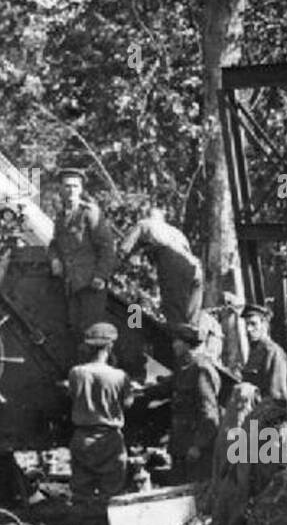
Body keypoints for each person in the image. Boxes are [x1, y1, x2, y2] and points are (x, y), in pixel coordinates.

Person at [145, 314, 223, 485]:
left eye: (177, 341)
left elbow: (209, 413)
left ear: (187, 344)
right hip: (181, 443)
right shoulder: (184, 367)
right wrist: (142, 391)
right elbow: (166, 388)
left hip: (194, 446)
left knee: (196, 489)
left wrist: (198, 445)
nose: (173, 345)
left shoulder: (201, 370)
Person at [66, 322, 134, 507]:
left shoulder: (76, 372)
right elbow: (128, 403)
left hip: (82, 438)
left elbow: (72, 396)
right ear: (110, 347)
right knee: (112, 493)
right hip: (110, 440)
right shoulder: (120, 376)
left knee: (81, 492)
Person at [48, 168, 117, 343]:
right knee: (74, 331)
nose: (71, 190)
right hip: (72, 285)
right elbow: (54, 244)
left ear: (81, 189)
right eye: (67, 186)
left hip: (90, 284)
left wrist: (100, 275)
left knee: (92, 332)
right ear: (61, 190)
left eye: (75, 186)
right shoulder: (61, 218)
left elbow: (107, 247)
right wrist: (54, 259)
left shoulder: (89, 212)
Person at [118, 205, 204, 329]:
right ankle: (191, 336)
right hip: (196, 267)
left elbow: (124, 250)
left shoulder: (144, 224)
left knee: (173, 309)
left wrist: (114, 268)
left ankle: (177, 341)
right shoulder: (176, 232)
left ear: (147, 216)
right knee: (190, 317)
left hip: (173, 261)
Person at [239, 304, 287, 403]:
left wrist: (252, 419)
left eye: (253, 324)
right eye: (246, 325)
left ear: (265, 325)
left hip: (264, 415)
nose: (248, 329)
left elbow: (276, 398)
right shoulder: (255, 350)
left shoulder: (273, 352)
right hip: (250, 413)